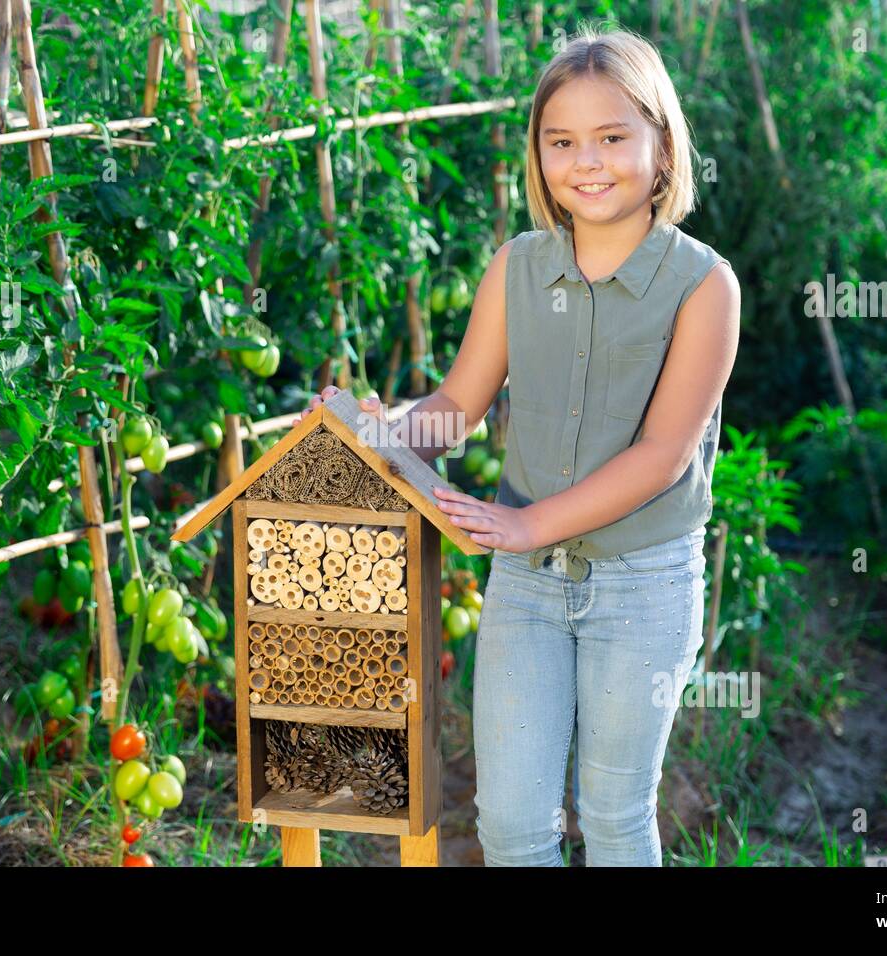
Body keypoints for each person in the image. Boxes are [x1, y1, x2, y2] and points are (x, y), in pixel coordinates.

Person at [296, 23, 739, 866]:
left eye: (613, 136)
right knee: (509, 825)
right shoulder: (519, 269)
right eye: (561, 141)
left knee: (612, 816)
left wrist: (533, 524)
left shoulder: (703, 285)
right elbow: (457, 408)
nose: (588, 161)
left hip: (642, 584)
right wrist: (378, 434)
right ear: (538, 156)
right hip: (527, 587)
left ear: (662, 143)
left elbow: (663, 457)